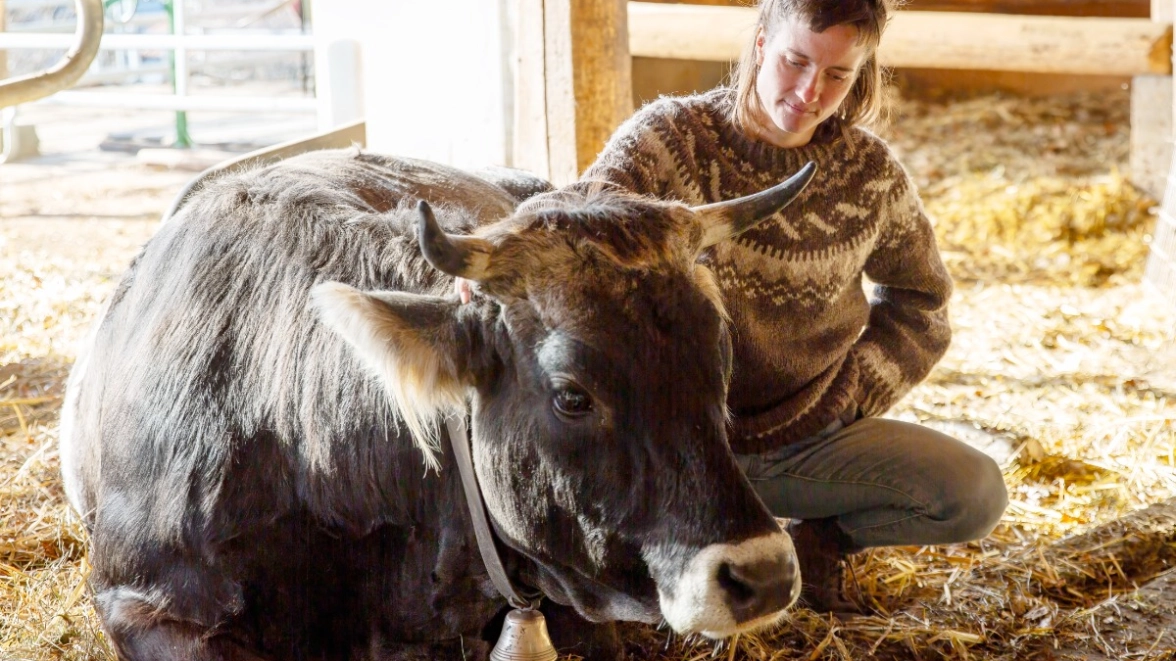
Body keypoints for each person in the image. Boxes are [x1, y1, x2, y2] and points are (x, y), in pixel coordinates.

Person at [463, 0, 1008, 617]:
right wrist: (503, 251)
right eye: (795, 61)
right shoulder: (670, 142)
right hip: (679, 441)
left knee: (973, 492)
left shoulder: (871, 175)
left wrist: (853, 390)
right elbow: (587, 211)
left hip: (808, 438)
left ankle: (819, 541)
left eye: (837, 75)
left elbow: (923, 301)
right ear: (759, 45)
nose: (809, 92)